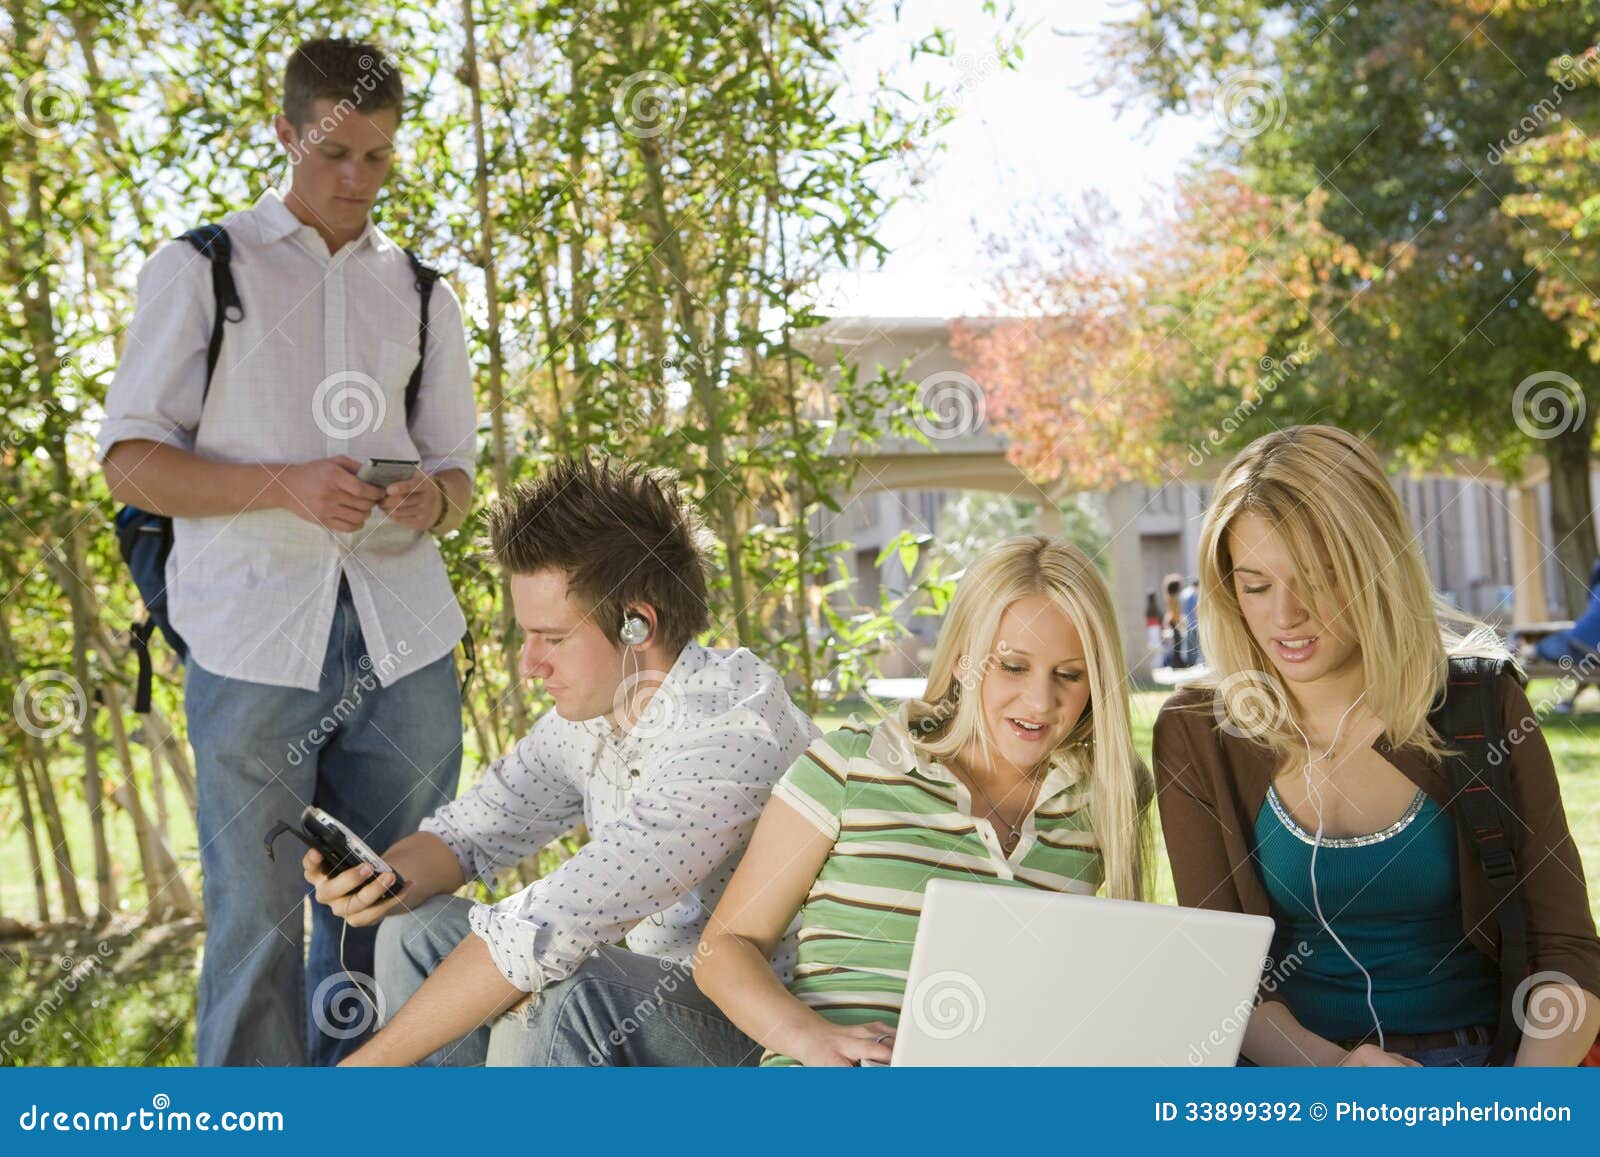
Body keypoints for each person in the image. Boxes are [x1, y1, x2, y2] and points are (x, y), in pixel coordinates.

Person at [98, 38, 476, 1066]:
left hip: (405, 643)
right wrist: (284, 486)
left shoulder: (425, 293)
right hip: (252, 640)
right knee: (257, 923)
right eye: (336, 153)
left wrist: (425, 497)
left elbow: (458, 475)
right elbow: (130, 464)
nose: (357, 181)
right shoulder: (202, 270)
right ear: (287, 132)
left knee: (391, 909)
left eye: (380, 158)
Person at [306, 456, 818, 1067]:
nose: (530, 665)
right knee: (415, 932)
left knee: (565, 989)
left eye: (552, 638)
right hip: (654, 1002)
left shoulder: (731, 732)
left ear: (637, 625)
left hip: (767, 1031)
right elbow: (469, 835)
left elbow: (552, 927)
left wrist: (356, 1073)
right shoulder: (602, 713)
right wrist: (380, 882)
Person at [1154, 425, 1600, 1067]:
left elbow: (1568, 950)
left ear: (1376, 567)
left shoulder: (1480, 703)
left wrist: (1515, 1114)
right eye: (1255, 586)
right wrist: (1336, 1075)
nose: (1286, 616)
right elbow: (1223, 981)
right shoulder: (1198, 731)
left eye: (1318, 578)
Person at [694, 535, 1152, 1066]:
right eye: (1013, 666)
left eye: (1069, 675)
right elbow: (722, 950)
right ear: (963, 660)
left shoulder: (1105, 803)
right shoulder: (849, 766)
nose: (1040, 701)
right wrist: (809, 1039)